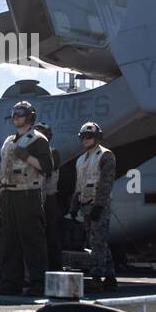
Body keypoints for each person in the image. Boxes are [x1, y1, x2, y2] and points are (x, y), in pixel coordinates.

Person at [0, 100, 52, 296]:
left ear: (29, 116)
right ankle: (11, 282)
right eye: (14, 113)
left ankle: (38, 282)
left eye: (20, 113)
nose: (15, 116)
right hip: (9, 192)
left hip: (28, 193)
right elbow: (3, 170)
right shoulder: (8, 141)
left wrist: (26, 156)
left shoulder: (38, 139)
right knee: (9, 242)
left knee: (32, 240)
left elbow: (47, 167)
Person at [71, 121, 118, 292]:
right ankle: (111, 277)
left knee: (98, 243)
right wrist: (74, 205)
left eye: (89, 136)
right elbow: (79, 185)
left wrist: (99, 205)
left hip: (99, 206)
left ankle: (97, 278)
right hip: (85, 205)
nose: (85, 139)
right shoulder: (81, 160)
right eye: (83, 136)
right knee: (98, 242)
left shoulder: (106, 155)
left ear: (97, 137)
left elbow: (106, 183)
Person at [35, 122, 63, 271]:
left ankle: (55, 268)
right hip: (34, 197)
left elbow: (46, 170)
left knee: (51, 235)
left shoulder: (53, 153)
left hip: (49, 198)